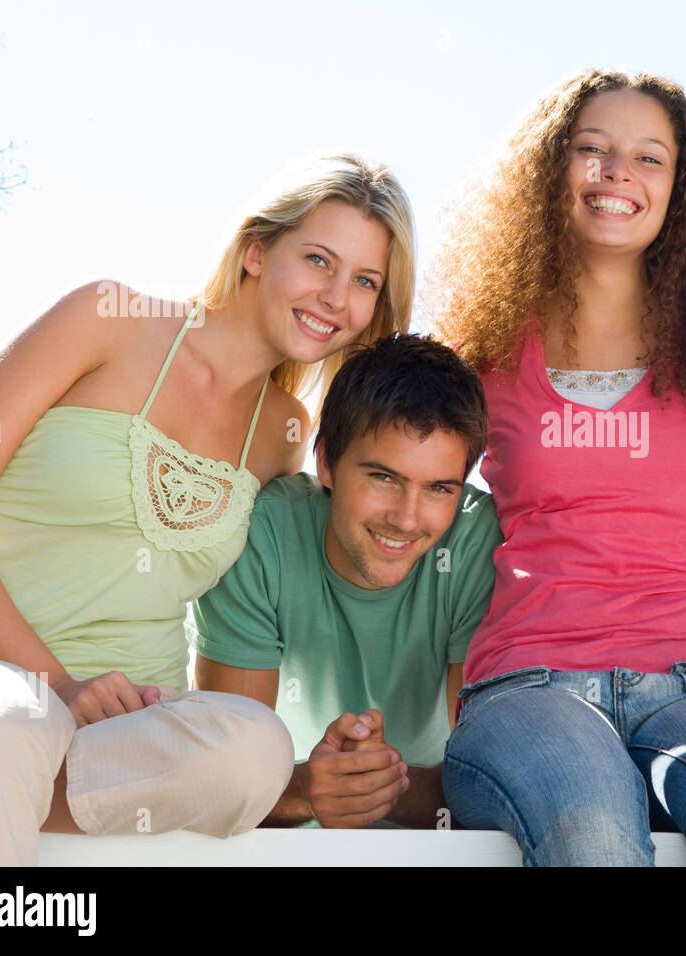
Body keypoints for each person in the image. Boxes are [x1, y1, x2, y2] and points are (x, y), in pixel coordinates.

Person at [0, 153, 417, 864]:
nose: (335, 297)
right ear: (256, 250)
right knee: (1, 734)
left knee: (256, 748)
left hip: (130, 734)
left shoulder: (283, 434)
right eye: (318, 259)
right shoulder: (104, 321)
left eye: (364, 282)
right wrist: (58, 685)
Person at [429, 70, 686, 866]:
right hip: (529, 687)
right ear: (553, 173)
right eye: (593, 150)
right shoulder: (484, 344)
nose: (619, 173)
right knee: (591, 825)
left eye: (649, 158)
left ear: (680, 190)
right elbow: (398, 482)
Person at [192, 334, 501, 829]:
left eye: (438, 488)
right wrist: (308, 790)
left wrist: (386, 787)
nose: (406, 517)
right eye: (383, 477)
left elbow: (492, 781)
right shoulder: (258, 534)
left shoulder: (477, 545)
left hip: (430, 844)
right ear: (327, 461)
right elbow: (222, 772)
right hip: (284, 846)